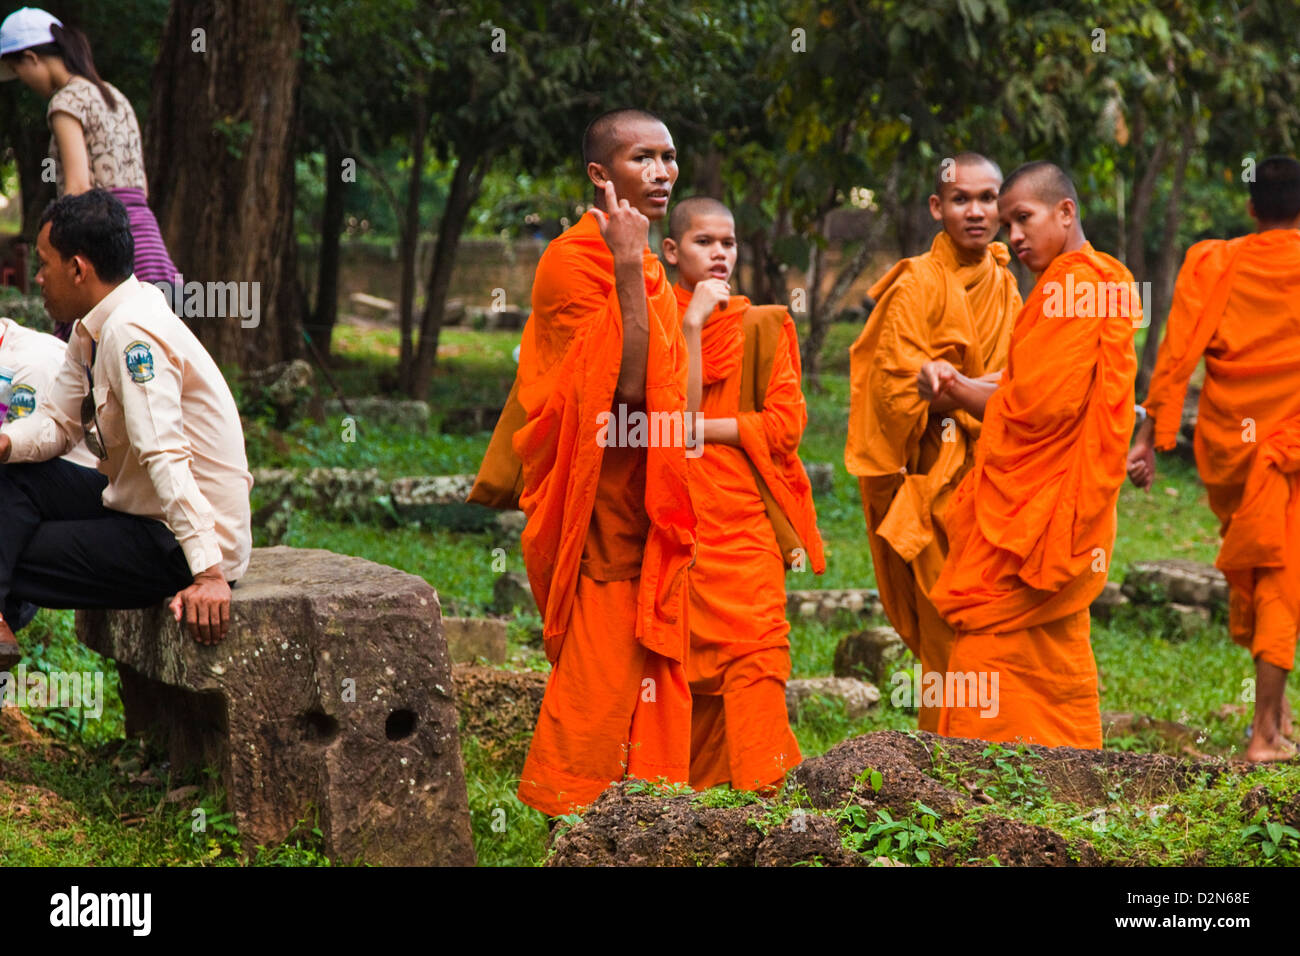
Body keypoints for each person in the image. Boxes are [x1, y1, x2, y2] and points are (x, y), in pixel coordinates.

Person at [470, 109, 695, 817]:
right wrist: (627, 264)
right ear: (601, 175)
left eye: (668, 157)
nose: (661, 173)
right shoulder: (574, 260)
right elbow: (622, 391)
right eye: (642, 159)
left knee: (650, 668)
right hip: (596, 507)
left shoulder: (649, 263)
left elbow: (667, 391)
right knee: (600, 667)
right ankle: (574, 810)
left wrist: (639, 266)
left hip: (645, 501)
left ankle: (647, 815)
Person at [919, 161, 1139, 748]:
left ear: (1065, 212)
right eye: (1006, 222)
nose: (1010, 235)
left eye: (1023, 218)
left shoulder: (1077, 286)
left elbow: (1038, 407)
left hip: (1035, 513)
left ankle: (990, 772)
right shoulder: (1087, 282)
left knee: (989, 638)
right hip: (1048, 510)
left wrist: (957, 391)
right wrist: (966, 383)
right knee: (1050, 638)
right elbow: (1024, 381)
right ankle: (1064, 768)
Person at [0, 190, 252, 672]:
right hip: (140, 506)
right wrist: (6, 441)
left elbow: (163, 453)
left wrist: (209, 573)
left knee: (13, 546)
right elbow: (57, 423)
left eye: (44, 263)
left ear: (78, 269)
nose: (38, 277)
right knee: (12, 475)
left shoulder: (130, 332)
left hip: (179, 538)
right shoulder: (92, 328)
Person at [1128, 156, 1300, 762]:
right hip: (1290, 449)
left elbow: (1177, 354)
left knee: (1265, 563)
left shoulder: (1215, 262)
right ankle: (1264, 737)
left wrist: (1150, 433)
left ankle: (1276, 717)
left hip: (1234, 446)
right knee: (1280, 574)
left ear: (1251, 207)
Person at [845, 153, 1021, 731]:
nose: (977, 212)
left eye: (988, 199)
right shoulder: (917, 282)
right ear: (937, 207)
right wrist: (978, 390)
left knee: (996, 626)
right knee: (948, 624)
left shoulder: (1005, 282)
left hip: (994, 480)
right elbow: (896, 394)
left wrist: (957, 385)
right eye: (962, 199)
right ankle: (948, 757)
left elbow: (1026, 380)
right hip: (935, 481)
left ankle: (1000, 752)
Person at [661, 196, 824, 792]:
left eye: (728, 243)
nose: (720, 253)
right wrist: (692, 325)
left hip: (747, 523)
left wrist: (705, 431)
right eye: (705, 242)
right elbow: (670, 416)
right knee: (688, 670)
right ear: (673, 251)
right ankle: (700, 799)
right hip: (678, 523)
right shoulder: (656, 319)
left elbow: (785, 426)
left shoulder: (762, 324)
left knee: (758, 652)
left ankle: (766, 792)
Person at [0, 7, 177, 340]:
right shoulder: (114, 96)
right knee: (147, 347)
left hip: (103, 249)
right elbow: (143, 187)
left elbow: (79, 187)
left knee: (91, 357)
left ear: (32, 58)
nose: (21, 80)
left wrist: (58, 256)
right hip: (147, 242)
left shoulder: (65, 102)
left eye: (16, 69)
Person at [0, 312, 99, 468]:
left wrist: (7, 442)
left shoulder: (30, 364)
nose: (41, 285)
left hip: (79, 469)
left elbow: (35, 442)